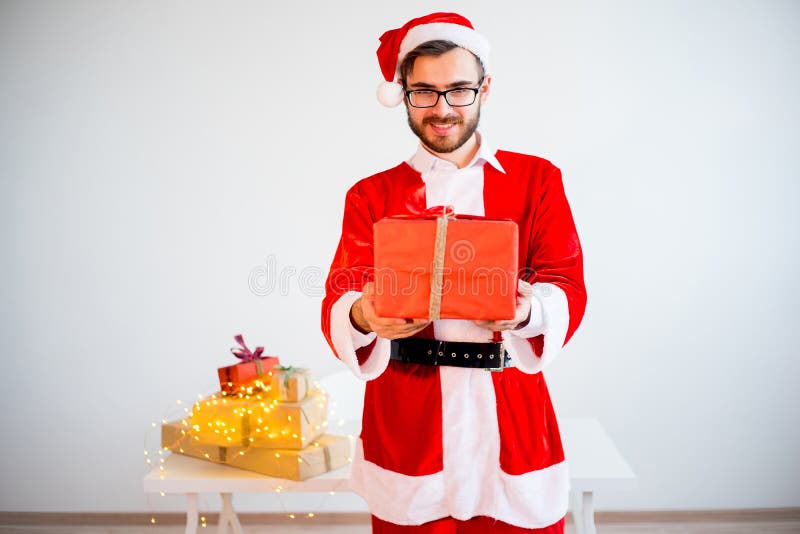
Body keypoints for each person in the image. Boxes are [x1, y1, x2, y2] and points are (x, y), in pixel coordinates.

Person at [321, 12, 586, 534]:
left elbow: (566, 281)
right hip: (408, 414)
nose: (442, 109)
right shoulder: (370, 195)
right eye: (424, 91)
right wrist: (363, 314)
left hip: (510, 411)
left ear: (484, 88)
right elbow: (343, 290)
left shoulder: (537, 179)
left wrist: (528, 309)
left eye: (459, 90)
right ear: (403, 93)